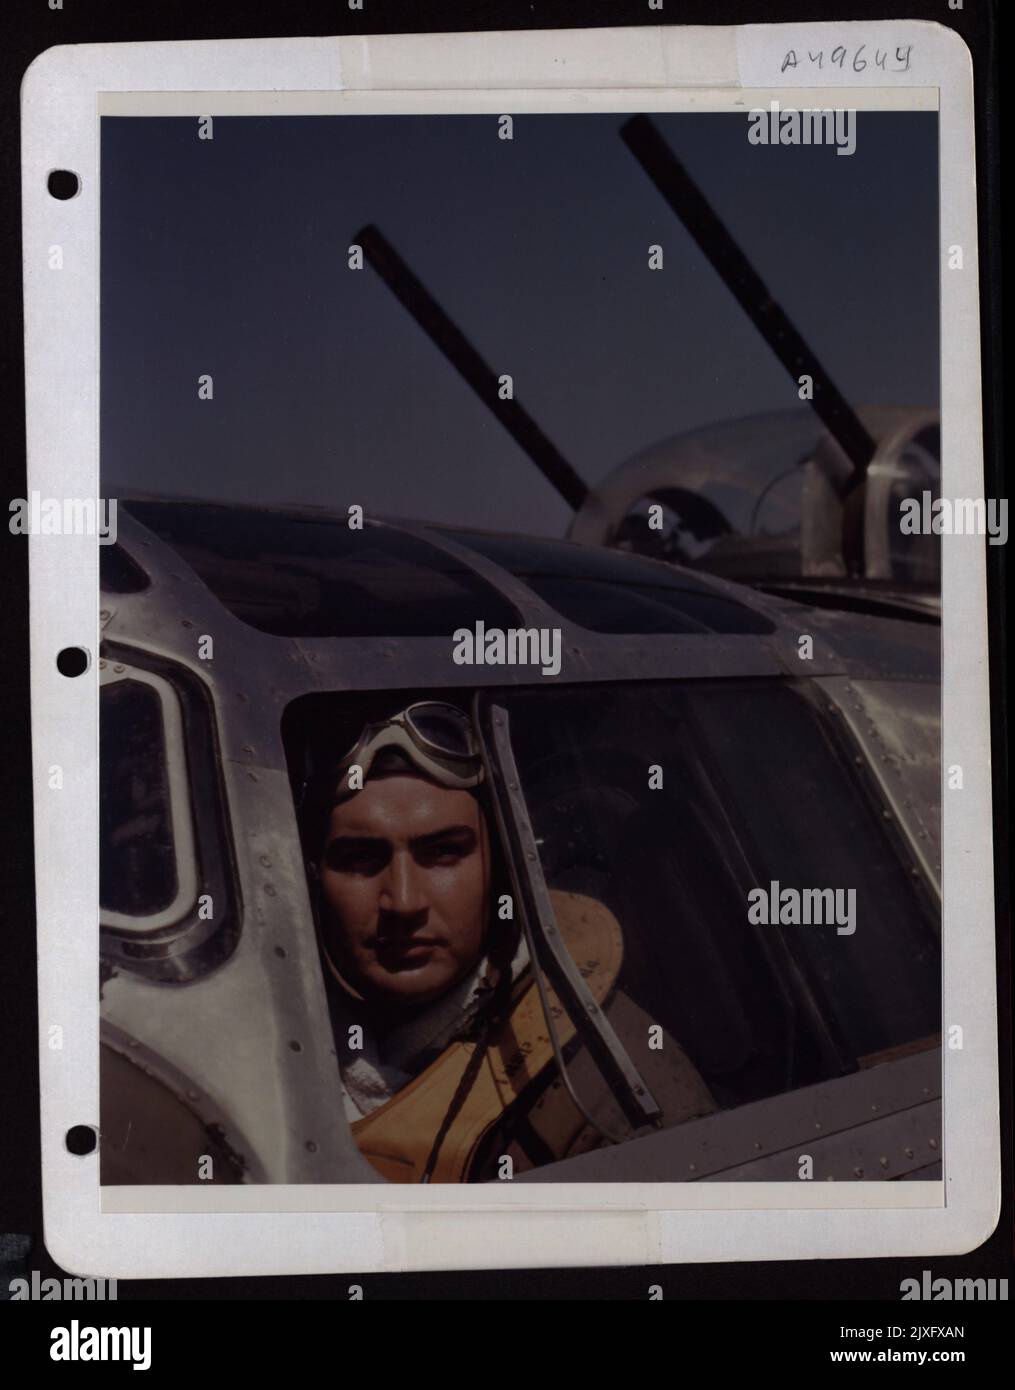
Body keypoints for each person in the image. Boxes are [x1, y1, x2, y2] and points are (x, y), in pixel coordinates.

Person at [299, 700, 717, 1182]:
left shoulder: (618, 1100)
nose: (404, 901)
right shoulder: (272, 1042)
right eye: (359, 859)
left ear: (503, 872)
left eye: (442, 853)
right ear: (312, 879)